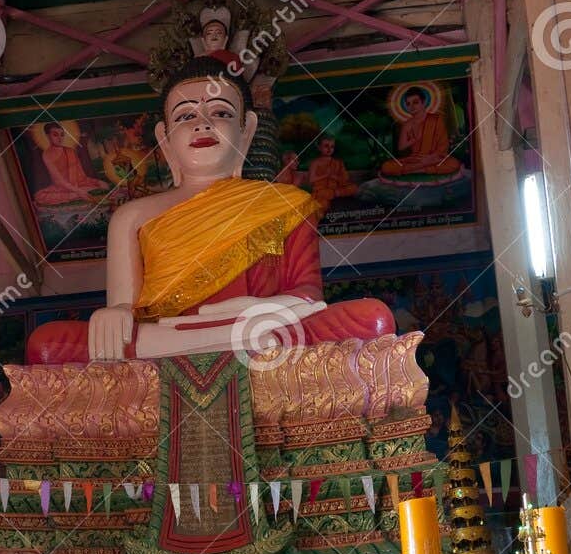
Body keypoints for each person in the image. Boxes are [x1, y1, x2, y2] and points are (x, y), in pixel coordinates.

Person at [25, 57, 393, 365]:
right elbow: (124, 310)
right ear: (165, 138)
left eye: (219, 112)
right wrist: (114, 314)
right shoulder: (132, 216)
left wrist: (253, 309)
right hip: (174, 338)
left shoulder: (284, 203)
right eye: (185, 116)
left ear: (245, 130)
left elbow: (308, 296)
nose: (202, 123)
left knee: (370, 318)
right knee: (48, 343)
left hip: (260, 326)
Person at [377, 86, 461, 177]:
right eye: (408, 104)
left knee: (453, 163)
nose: (411, 107)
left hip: (434, 159)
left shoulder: (436, 119)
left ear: (424, 102)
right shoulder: (407, 124)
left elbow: (443, 147)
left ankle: (414, 170)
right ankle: (422, 169)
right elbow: (401, 147)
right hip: (415, 159)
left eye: (415, 102)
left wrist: (430, 158)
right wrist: (413, 140)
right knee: (387, 166)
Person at [303, 136, 356, 211]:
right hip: (321, 191)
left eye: (332, 147)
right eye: (326, 146)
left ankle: (334, 193)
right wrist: (326, 175)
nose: (329, 149)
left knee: (353, 188)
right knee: (322, 203)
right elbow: (311, 180)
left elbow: (345, 179)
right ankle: (333, 194)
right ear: (319, 148)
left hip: (335, 189)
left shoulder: (338, 162)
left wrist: (334, 177)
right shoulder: (315, 163)